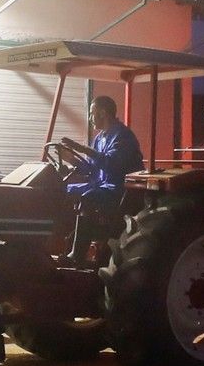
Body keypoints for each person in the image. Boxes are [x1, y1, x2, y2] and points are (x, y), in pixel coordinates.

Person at [57, 96, 144, 261]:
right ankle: (65, 241)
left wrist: (82, 148)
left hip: (120, 189)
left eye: (92, 113)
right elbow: (92, 168)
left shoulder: (123, 136)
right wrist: (71, 159)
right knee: (64, 190)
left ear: (102, 113)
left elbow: (111, 164)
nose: (90, 118)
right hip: (101, 185)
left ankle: (77, 254)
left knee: (87, 197)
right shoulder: (99, 138)